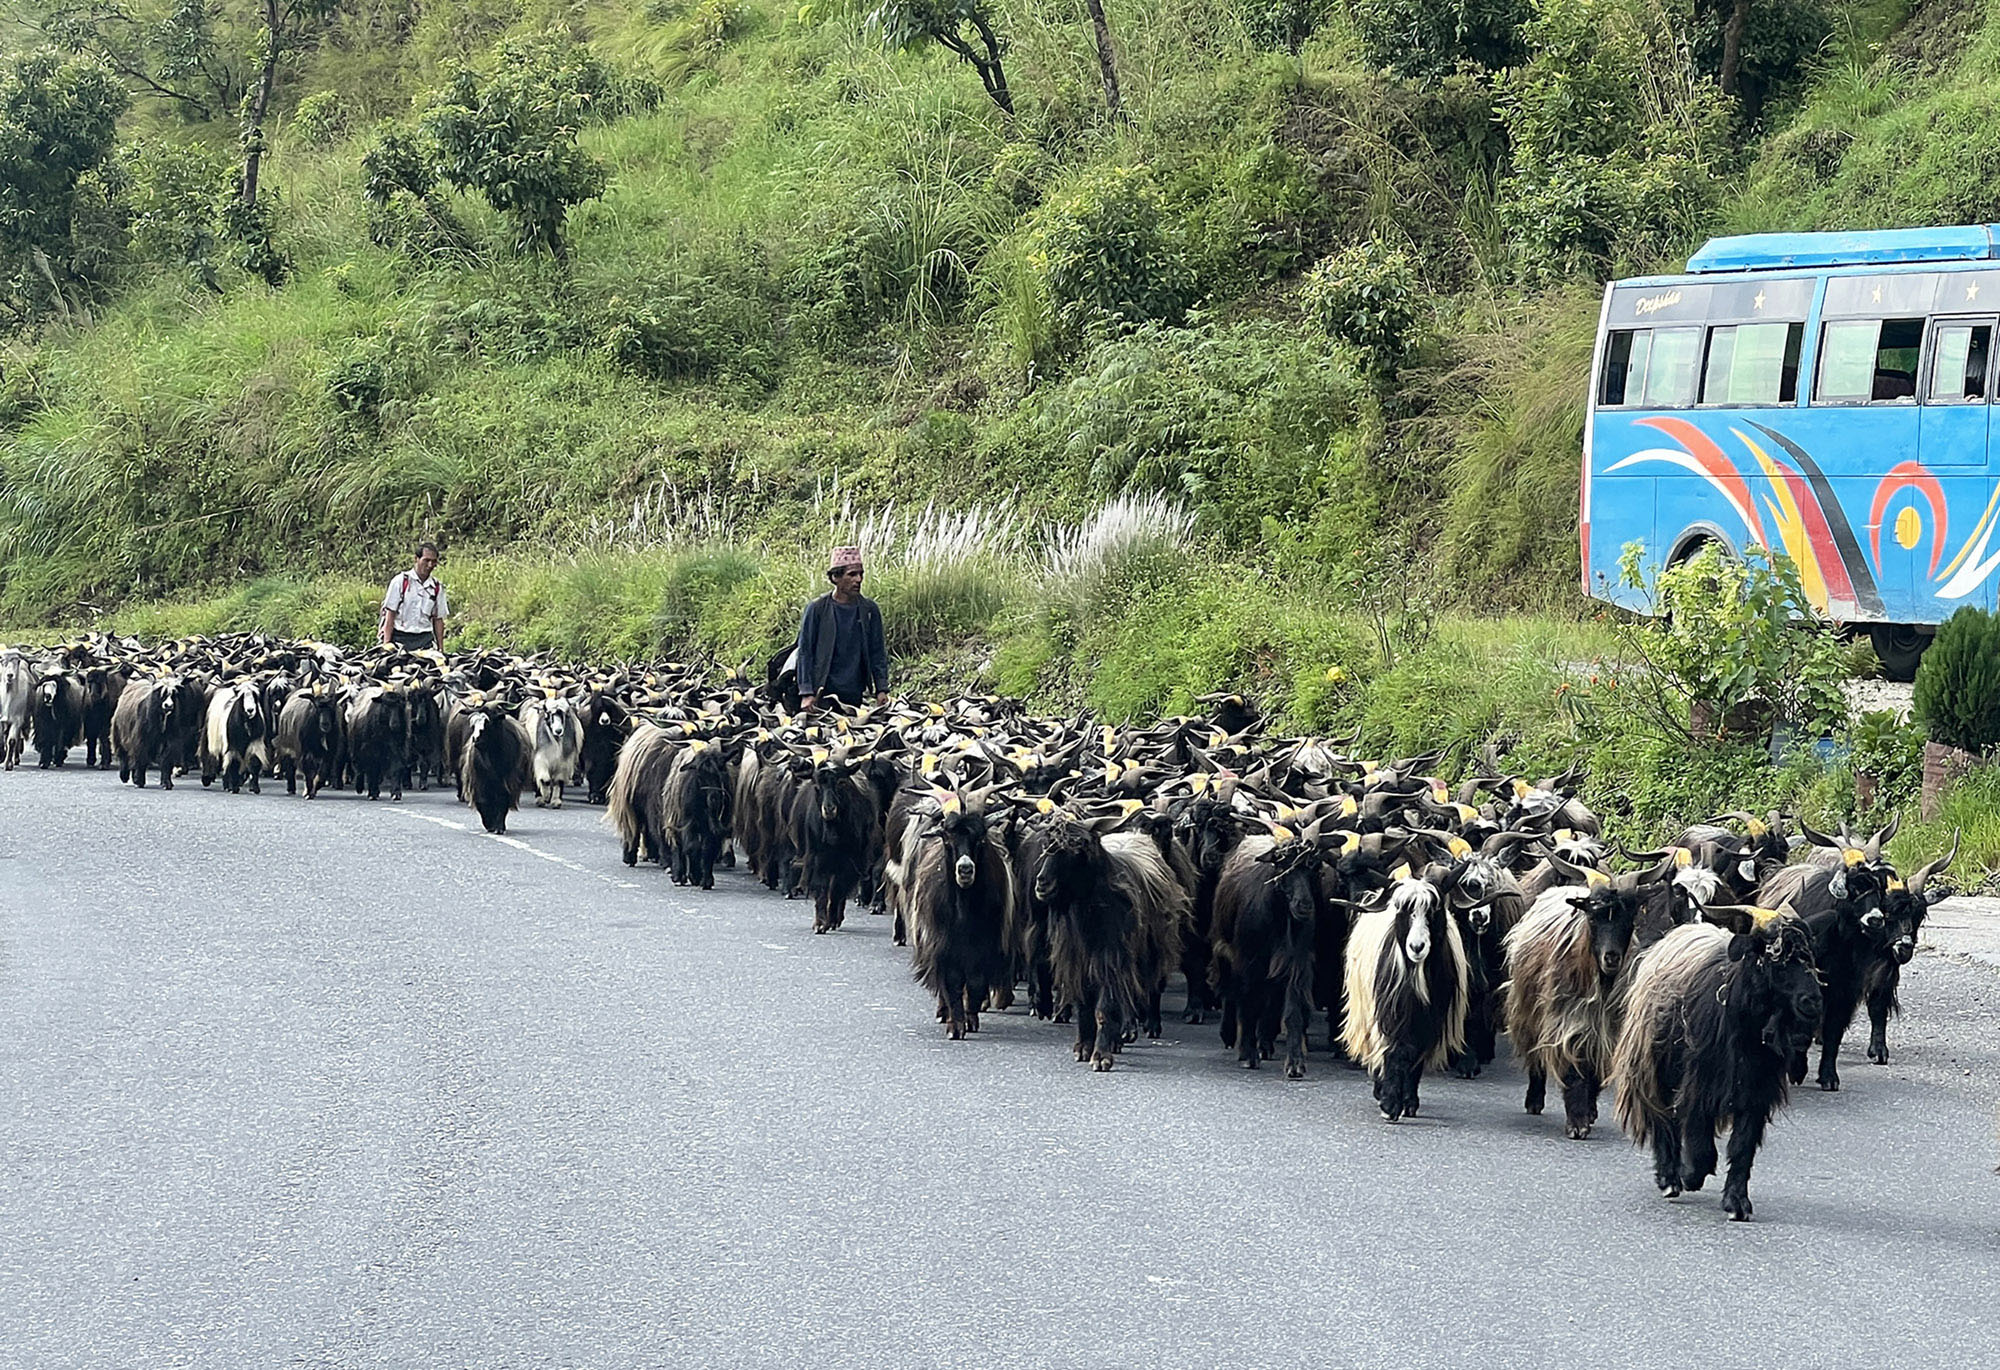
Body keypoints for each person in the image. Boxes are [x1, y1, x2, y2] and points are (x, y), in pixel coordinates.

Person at [795, 544, 890, 710]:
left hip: (854, 695)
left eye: (861, 574)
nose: (858, 580)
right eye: (852, 574)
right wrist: (806, 692)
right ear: (836, 578)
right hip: (822, 694)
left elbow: (877, 652)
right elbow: (805, 652)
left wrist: (881, 688)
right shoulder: (817, 609)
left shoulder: (869, 610)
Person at [379, 541, 449, 652]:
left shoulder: (436, 587)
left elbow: (438, 619)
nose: (430, 565)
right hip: (400, 638)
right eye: (426, 560)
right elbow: (390, 614)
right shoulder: (401, 581)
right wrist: (387, 645)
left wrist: (441, 649)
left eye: (433, 562)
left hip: (424, 639)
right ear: (416, 559)